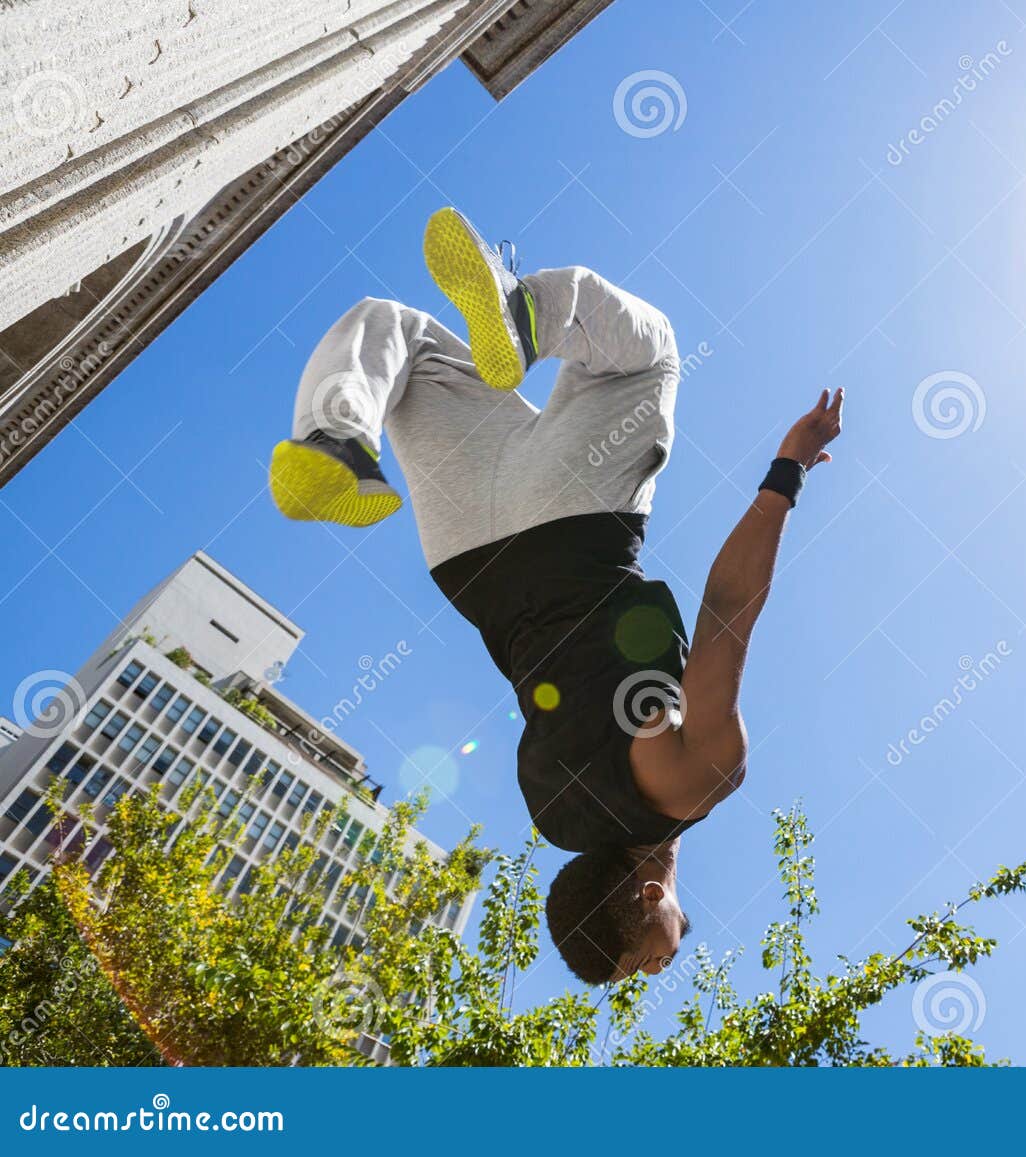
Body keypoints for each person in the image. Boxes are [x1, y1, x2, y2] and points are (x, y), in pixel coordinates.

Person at [268, 208, 843, 983]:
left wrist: (788, 472)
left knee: (648, 359)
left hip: (575, 522)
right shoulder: (553, 813)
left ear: (649, 894)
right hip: (471, 557)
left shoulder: (696, 774)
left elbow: (728, 607)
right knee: (394, 329)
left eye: (654, 957)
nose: (666, 959)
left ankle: (521, 310)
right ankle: (335, 439)